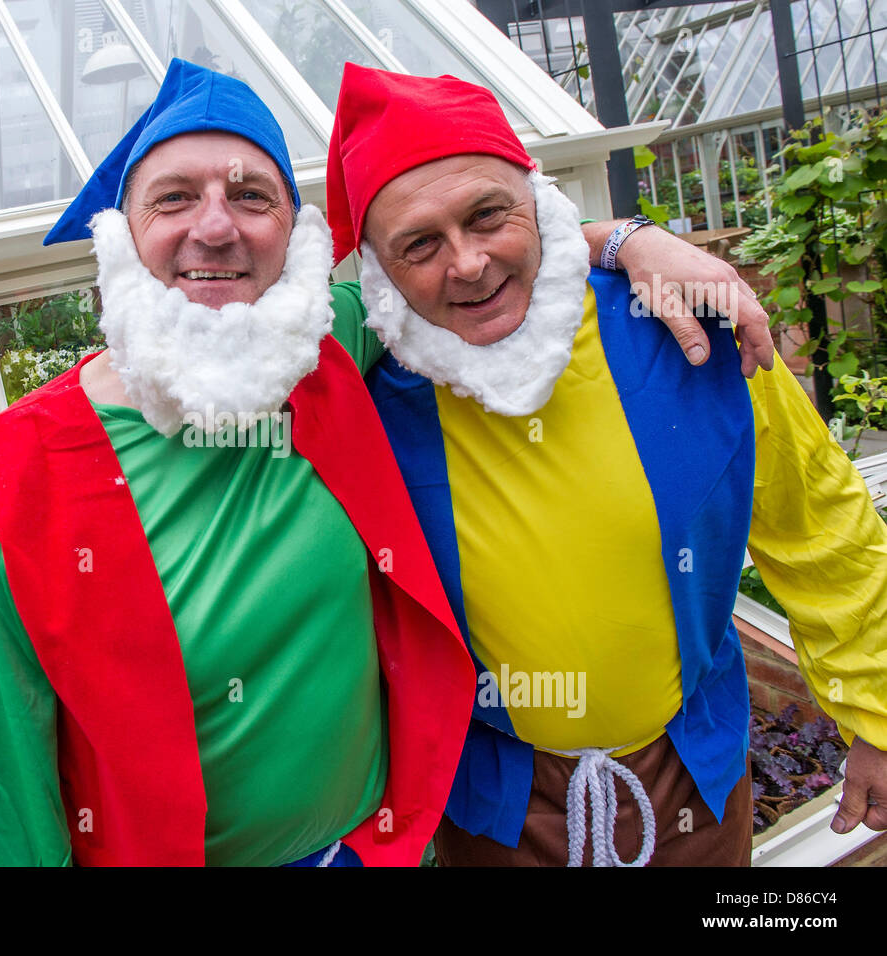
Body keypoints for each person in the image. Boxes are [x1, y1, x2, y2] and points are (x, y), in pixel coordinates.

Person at [325, 63, 887, 866]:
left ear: (540, 204)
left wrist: (876, 717)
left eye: (490, 216)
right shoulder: (364, 401)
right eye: (420, 245)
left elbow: (821, 525)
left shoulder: (686, 330)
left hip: (694, 777)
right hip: (497, 808)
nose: (470, 264)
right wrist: (623, 234)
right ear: (379, 277)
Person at [0, 57, 477, 867]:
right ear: (122, 234)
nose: (215, 227)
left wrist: (630, 243)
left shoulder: (325, 359)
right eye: (175, 196)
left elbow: (476, 272)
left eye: (252, 196)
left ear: (297, 237)